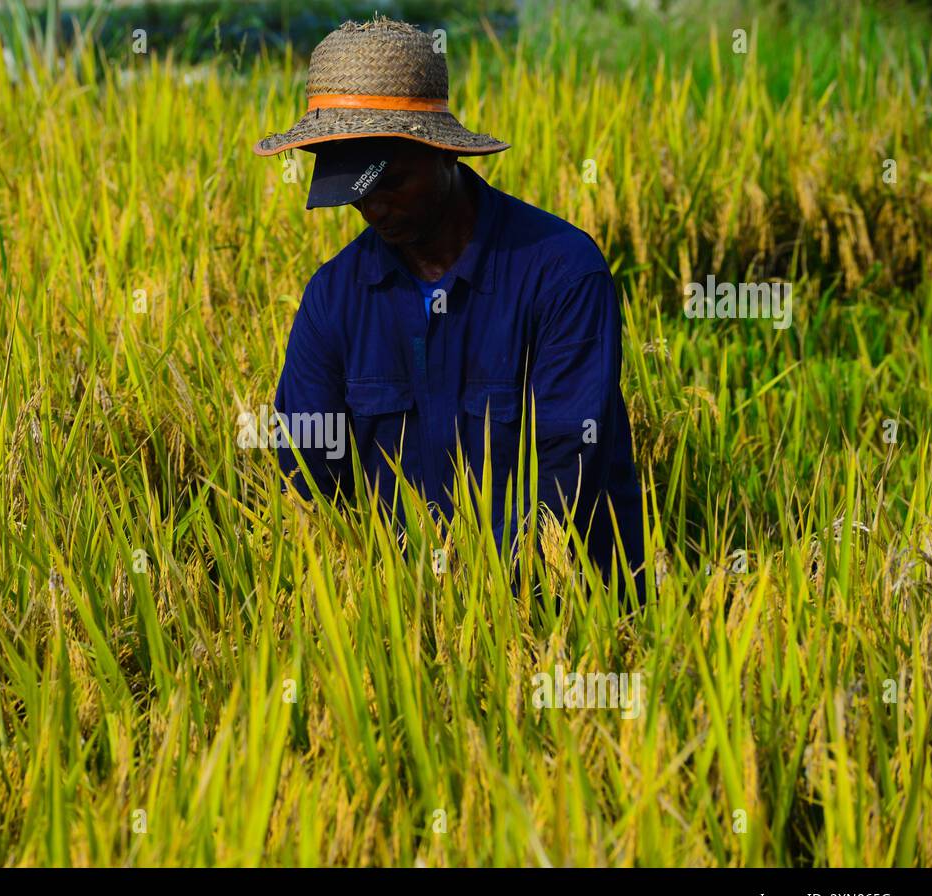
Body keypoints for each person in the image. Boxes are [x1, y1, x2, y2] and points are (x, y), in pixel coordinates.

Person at [253, 16, 645, 604]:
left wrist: (482, 605)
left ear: (444, 155)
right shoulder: (333, 298)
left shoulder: (561, 272)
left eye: (392, 183)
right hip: (400, 621)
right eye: (356, 191)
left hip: (562, 613)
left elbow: (570, 461)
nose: (374, 207)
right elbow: (310, 471)